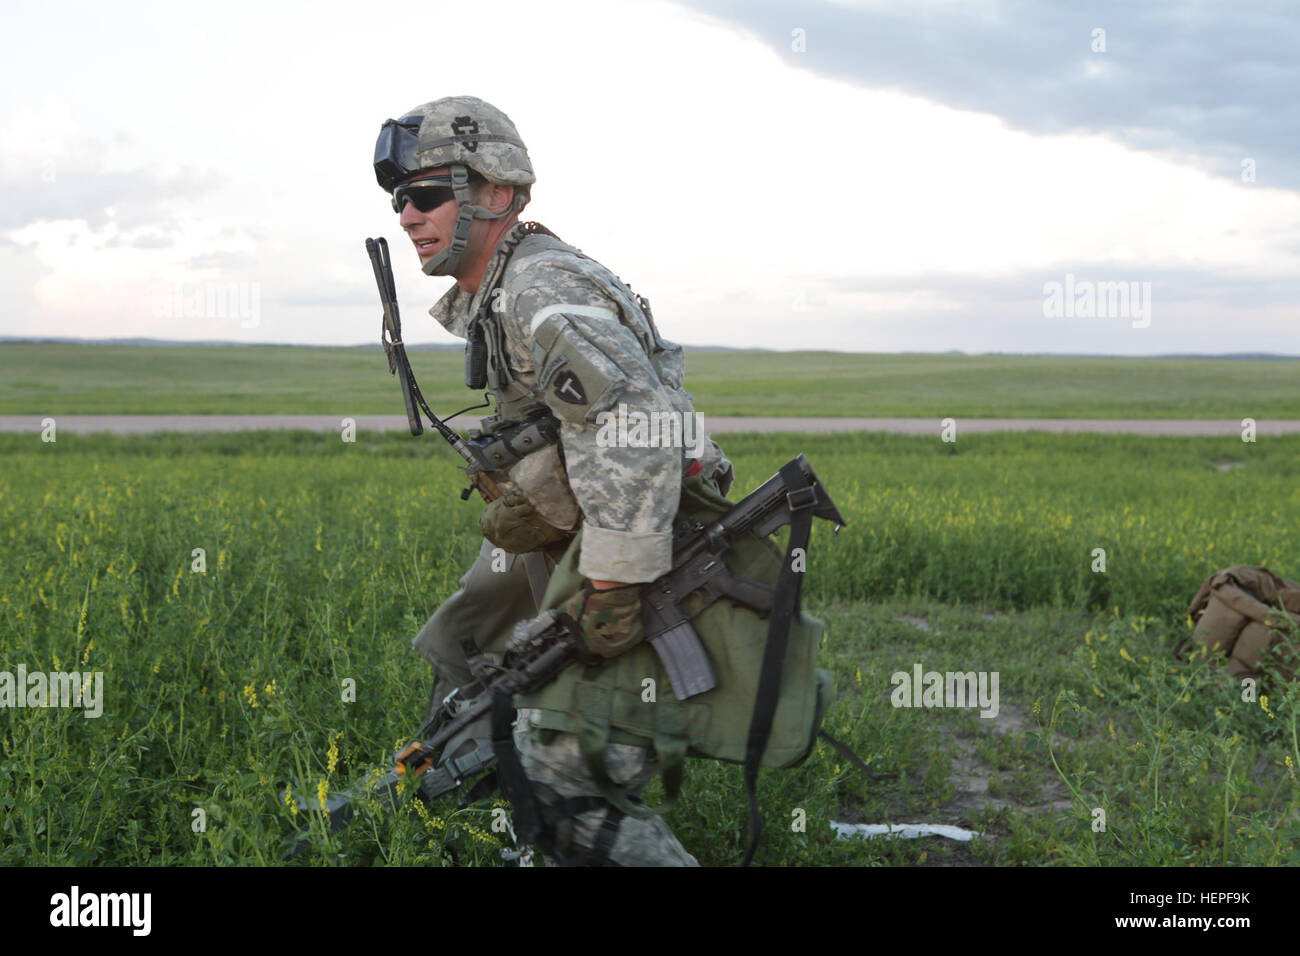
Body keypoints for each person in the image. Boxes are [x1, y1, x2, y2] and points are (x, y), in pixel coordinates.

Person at [374, 96, 732, 866]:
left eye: (429, 193)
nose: (408, 214)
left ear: (496, 192)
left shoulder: (539, 289)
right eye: (401, 198)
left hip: (648, 552)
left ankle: (561, 801)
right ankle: (475, 815)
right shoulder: (496, 293)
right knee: (466, 643)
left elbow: (635, 426)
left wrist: (612, 589)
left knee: (563, 759)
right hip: (577, 538)